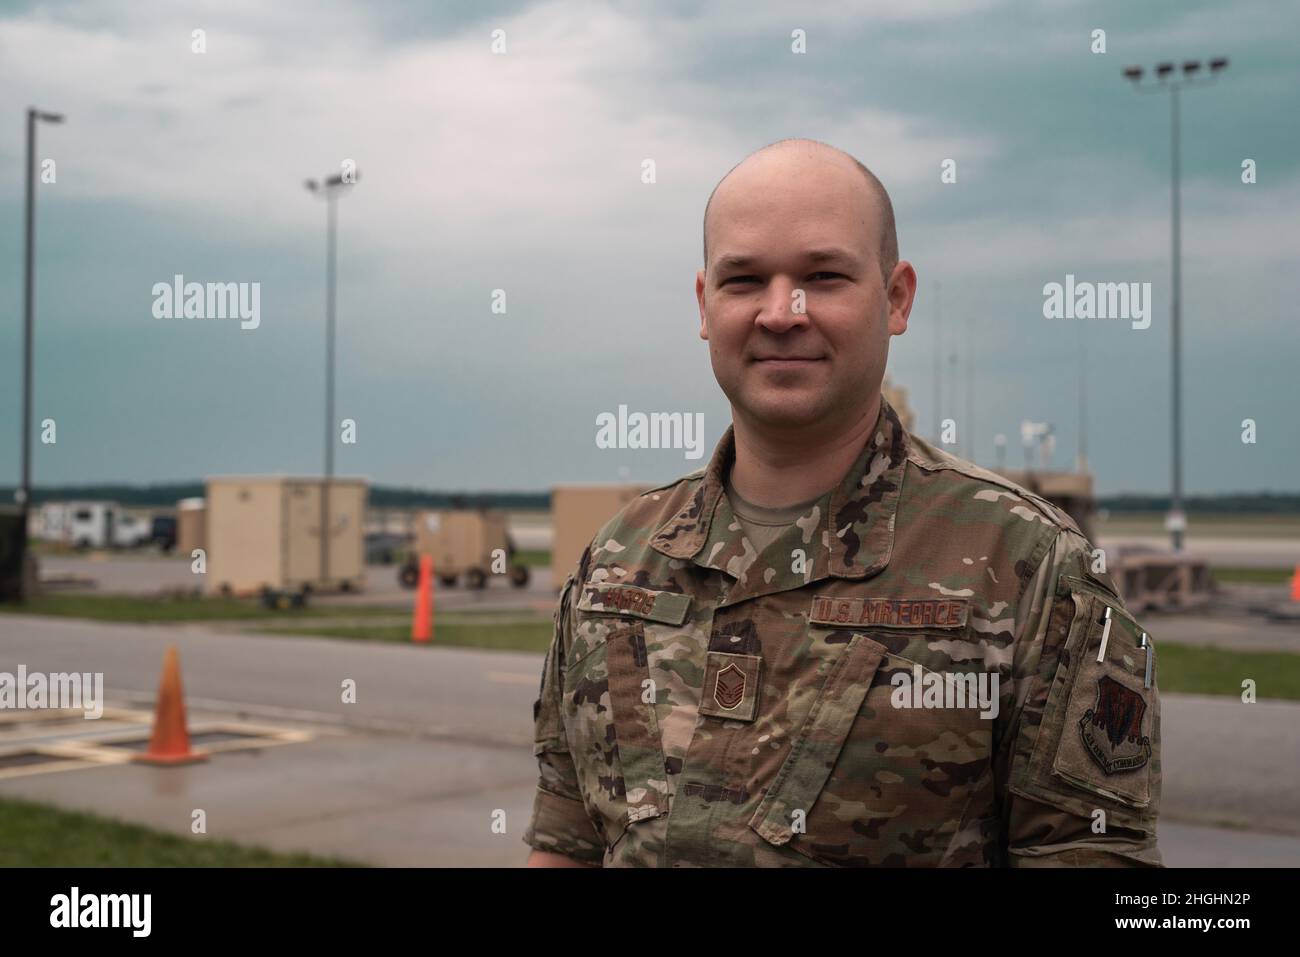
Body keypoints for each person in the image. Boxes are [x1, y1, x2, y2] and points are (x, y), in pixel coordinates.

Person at [524, 138, 1161, 867]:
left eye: (822, 276)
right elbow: (567, 832)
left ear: (896, 298)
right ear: (705, 305)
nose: (780, 311)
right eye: (744, 280)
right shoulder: (618, 557)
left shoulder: (1027, 564)